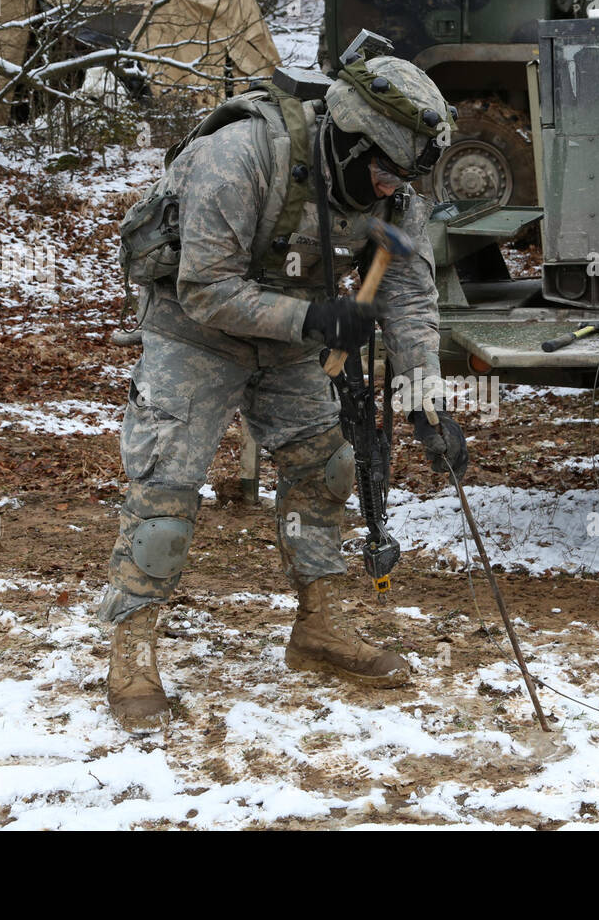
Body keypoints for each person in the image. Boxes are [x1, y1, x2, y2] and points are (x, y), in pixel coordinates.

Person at [99, 56, 469, 733]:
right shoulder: (238, 157)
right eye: (385, 170)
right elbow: (205, 287)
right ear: (353, 143)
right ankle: (133, 650)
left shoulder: (391, 185)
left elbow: (410, 292)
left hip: (293, 330)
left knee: (326, 468)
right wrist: (313, 321)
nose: (394, 186)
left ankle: (319, 624)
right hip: (195, 332)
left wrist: (425, 395)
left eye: (406, 177)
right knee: (166, 495)